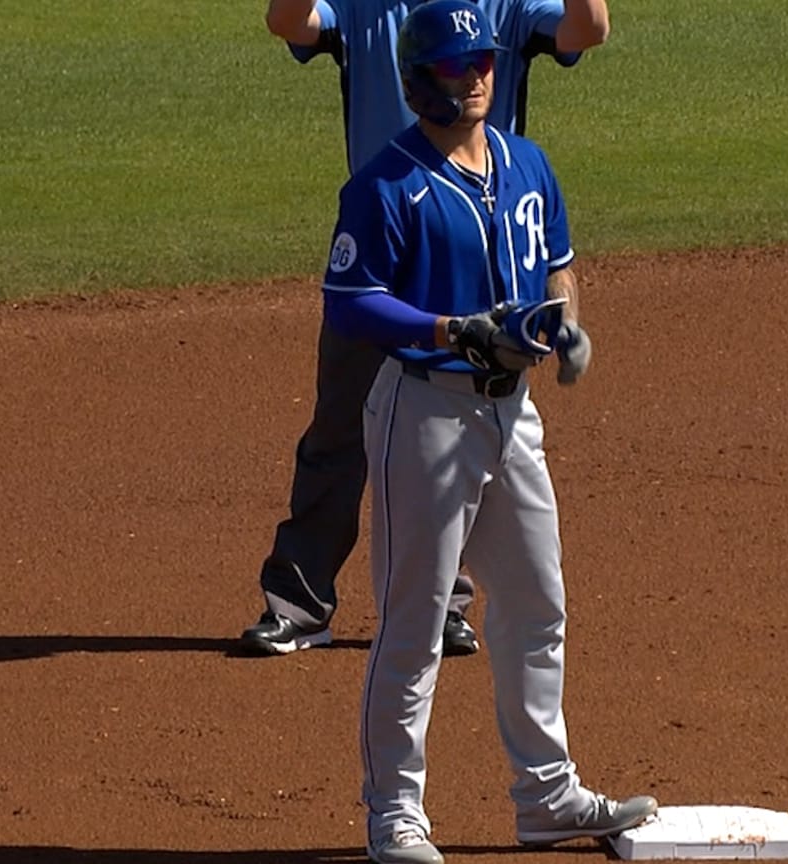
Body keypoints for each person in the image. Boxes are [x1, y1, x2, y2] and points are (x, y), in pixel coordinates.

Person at [319, 3, 655, 861]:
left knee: (538, 605)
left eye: (480, 62)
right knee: (413, 619)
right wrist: (453, 330)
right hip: (422, 414)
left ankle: (545, 795)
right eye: (451, 65)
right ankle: (394, 812)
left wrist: (571, 329)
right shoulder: (385, 185)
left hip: (515, 417)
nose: (471, 77)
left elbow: (559, 266)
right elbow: (351, 304)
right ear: (415, 77)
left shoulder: (527, 164)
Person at [243, 0, 611, 658]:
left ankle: (445, 604)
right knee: (338, 430)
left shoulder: (510, 5)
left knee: (459, 434)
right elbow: (288, 23)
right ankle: (301, 602)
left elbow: (588, 31)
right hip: (384, 243)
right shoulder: (362, 8)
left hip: (470, 249)